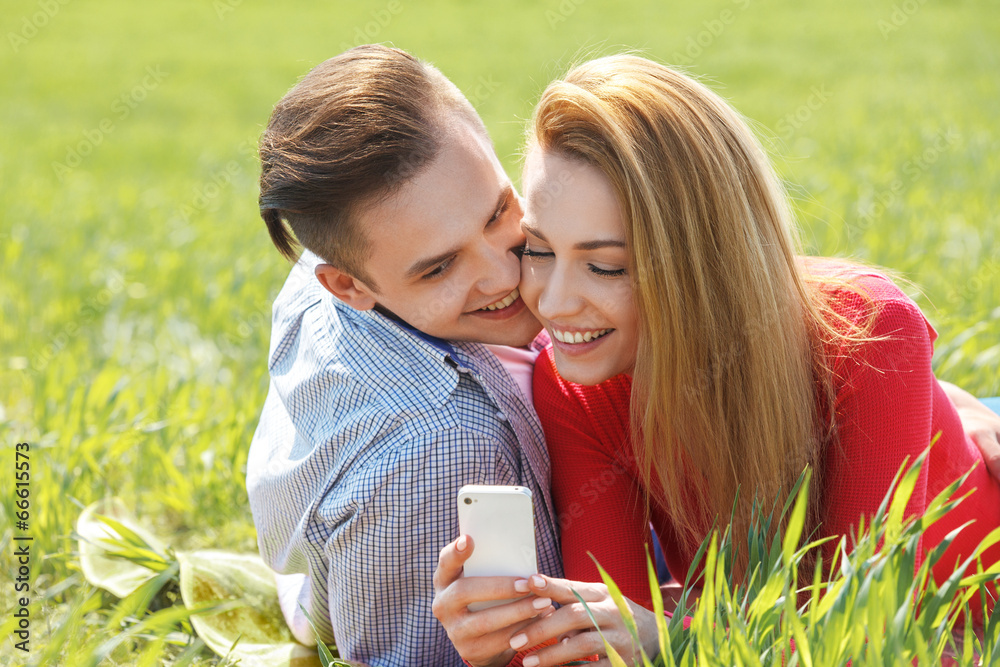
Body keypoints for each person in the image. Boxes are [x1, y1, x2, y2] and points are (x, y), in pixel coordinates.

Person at [432, 54, 1000, 667]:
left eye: (606, 266)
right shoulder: (574, 385)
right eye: (538, 250)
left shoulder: (870, 332)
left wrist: (675, 635)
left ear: (703, 265)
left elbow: (863, 638)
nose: (554, 302)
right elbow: (606, 636)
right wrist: (510, 643)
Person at [245, 45, 564, 667]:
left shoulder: (354, 251)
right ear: (348, 287)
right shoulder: (449, 450)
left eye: (498, 211)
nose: (504, 273)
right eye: (440, 267)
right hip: (369, 585)